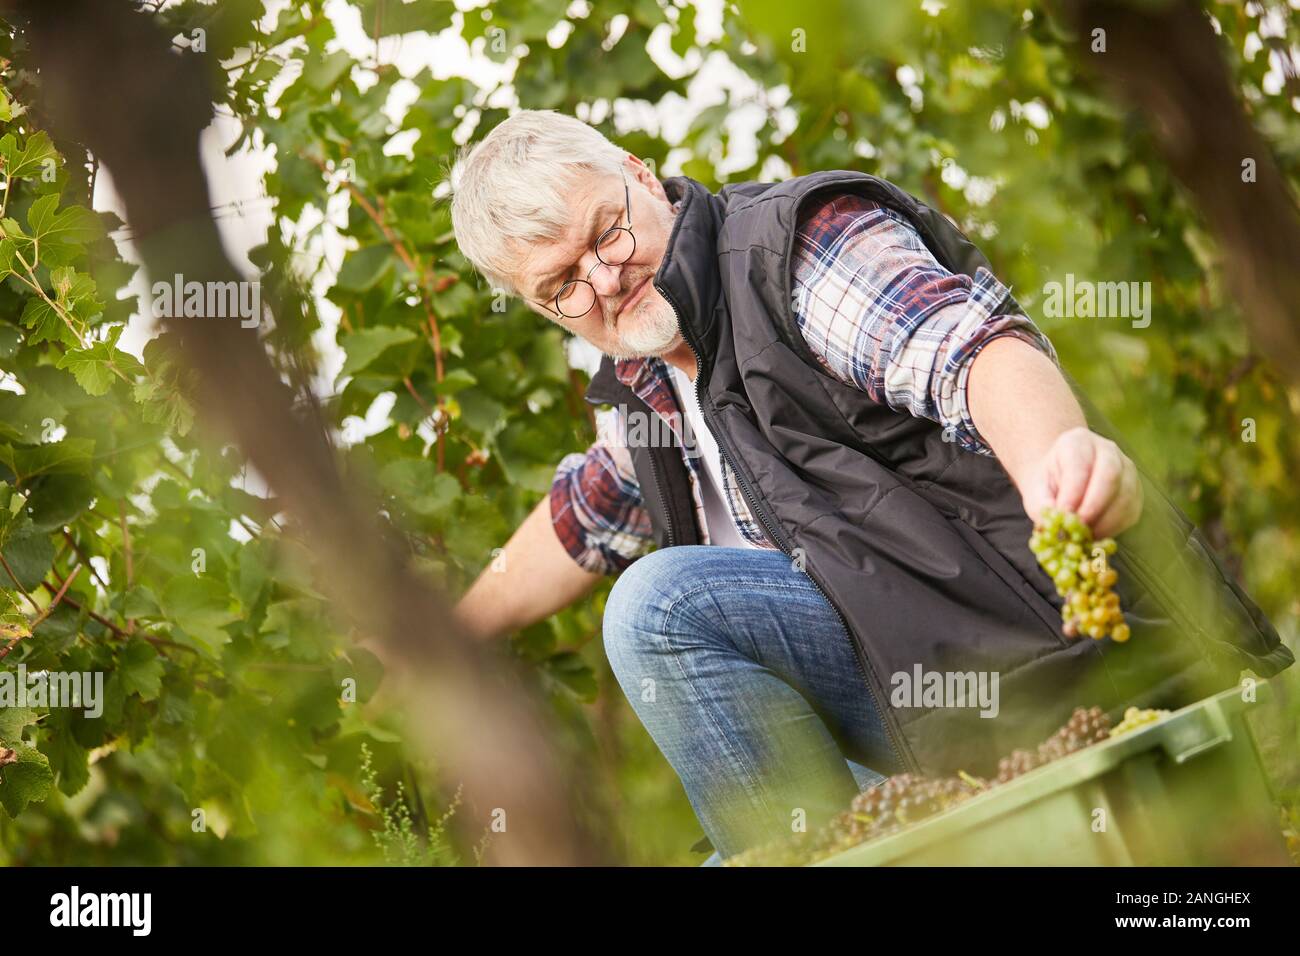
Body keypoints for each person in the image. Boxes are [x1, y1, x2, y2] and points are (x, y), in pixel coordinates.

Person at [447, 109, 1292, 862]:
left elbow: (971, 354)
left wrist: (1054, 466)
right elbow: (589, 512)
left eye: (607, 236)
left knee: (660, 608)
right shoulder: (645, 383)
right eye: (562, 287)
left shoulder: (792, 250)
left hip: (1045, 657)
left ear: (638, 174)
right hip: (914, 696)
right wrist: (440, 636)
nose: (604, 283)